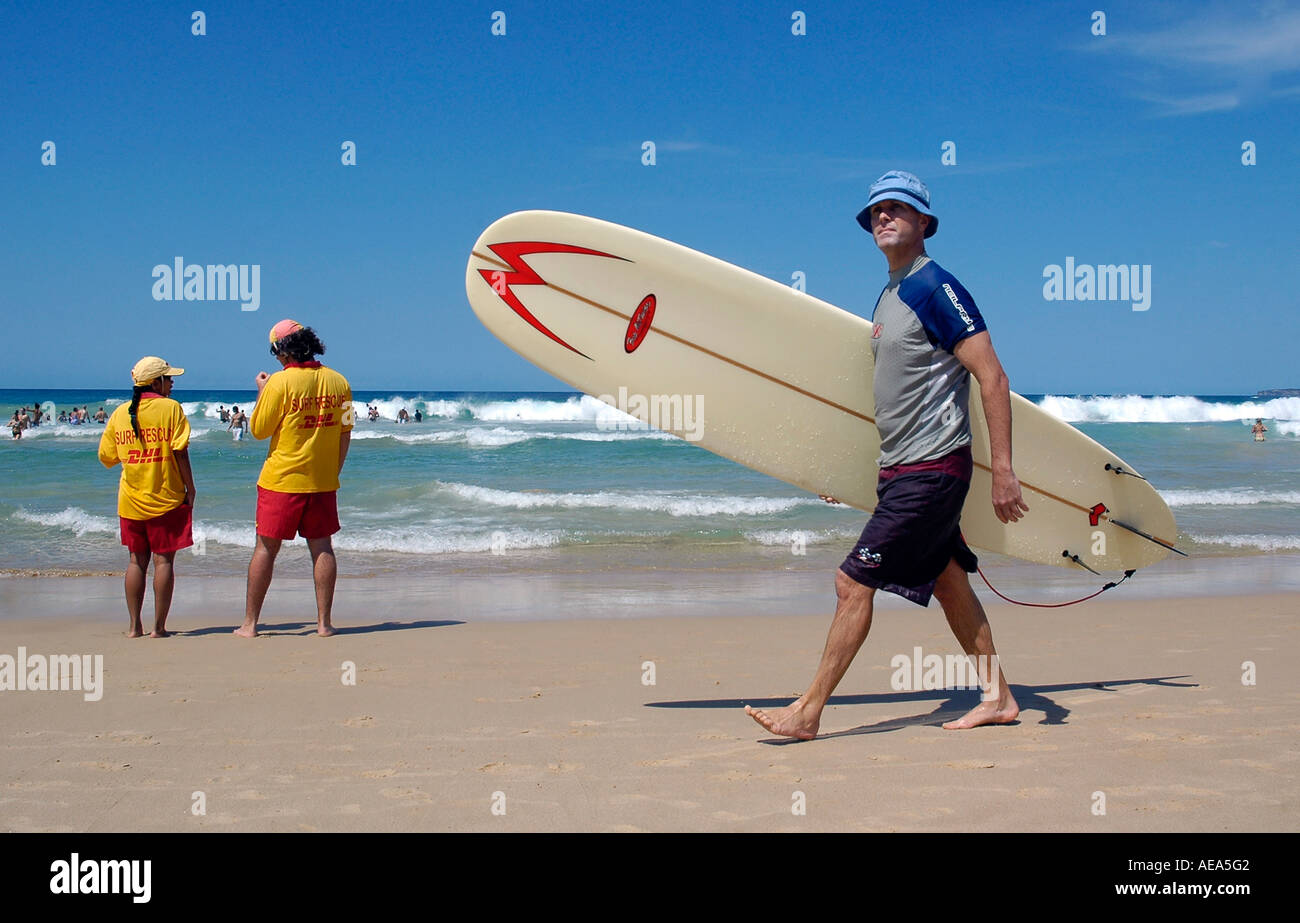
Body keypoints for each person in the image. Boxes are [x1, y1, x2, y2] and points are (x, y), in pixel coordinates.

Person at [746, 171, 1028, 740]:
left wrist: (1003, 472)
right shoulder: (890, 293)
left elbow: (992, 378)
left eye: (897, 209)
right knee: (948, 581)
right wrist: (848, 472)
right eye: (875, 211)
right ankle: (998, 697)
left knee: (853, 583)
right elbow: (891, 397)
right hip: (903, 469)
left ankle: (807, 712)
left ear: (924, 222)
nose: (883, 216)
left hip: (933, 468)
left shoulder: (935, 288)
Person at [236, 319, 352, 638]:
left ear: (284, 352)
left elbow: (259, 430)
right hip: (322, 482)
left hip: (281, 480)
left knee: (265, 549)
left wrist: (262, 390)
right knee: (322, 547)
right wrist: (333, 471)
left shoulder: (280, 383)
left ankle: (250, 624)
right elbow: (345, 433)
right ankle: (324, 623)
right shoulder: (340, 382)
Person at [97, 357, 196, 638]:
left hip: (130, 501)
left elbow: (107, 457)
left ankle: (133, 627)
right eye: (168, 377)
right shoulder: (171, 409)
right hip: (166, 499)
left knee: (135, 562)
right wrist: (191, 488)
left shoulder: (120, 413)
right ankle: (159, 628)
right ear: (156, 382)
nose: (172, 381)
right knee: (163, 562)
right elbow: (180, 451)